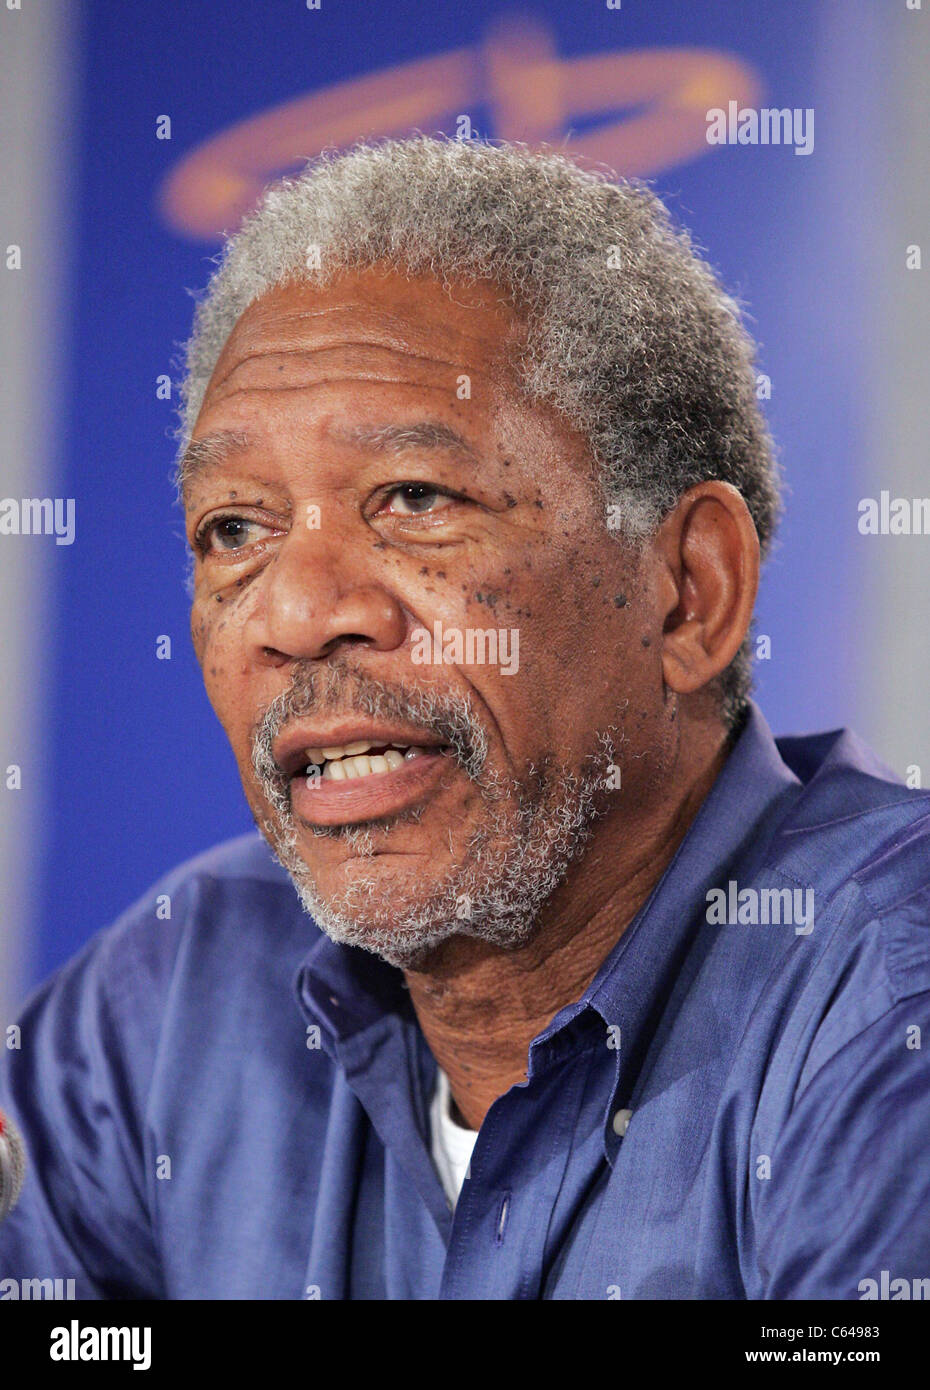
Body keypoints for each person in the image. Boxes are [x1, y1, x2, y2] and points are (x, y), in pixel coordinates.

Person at [2, 137, 928, 1300]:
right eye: (234, 529)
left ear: (690, 592)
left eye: (416, 501)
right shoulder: (165, 1010)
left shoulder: (893, 988)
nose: (295, 611)